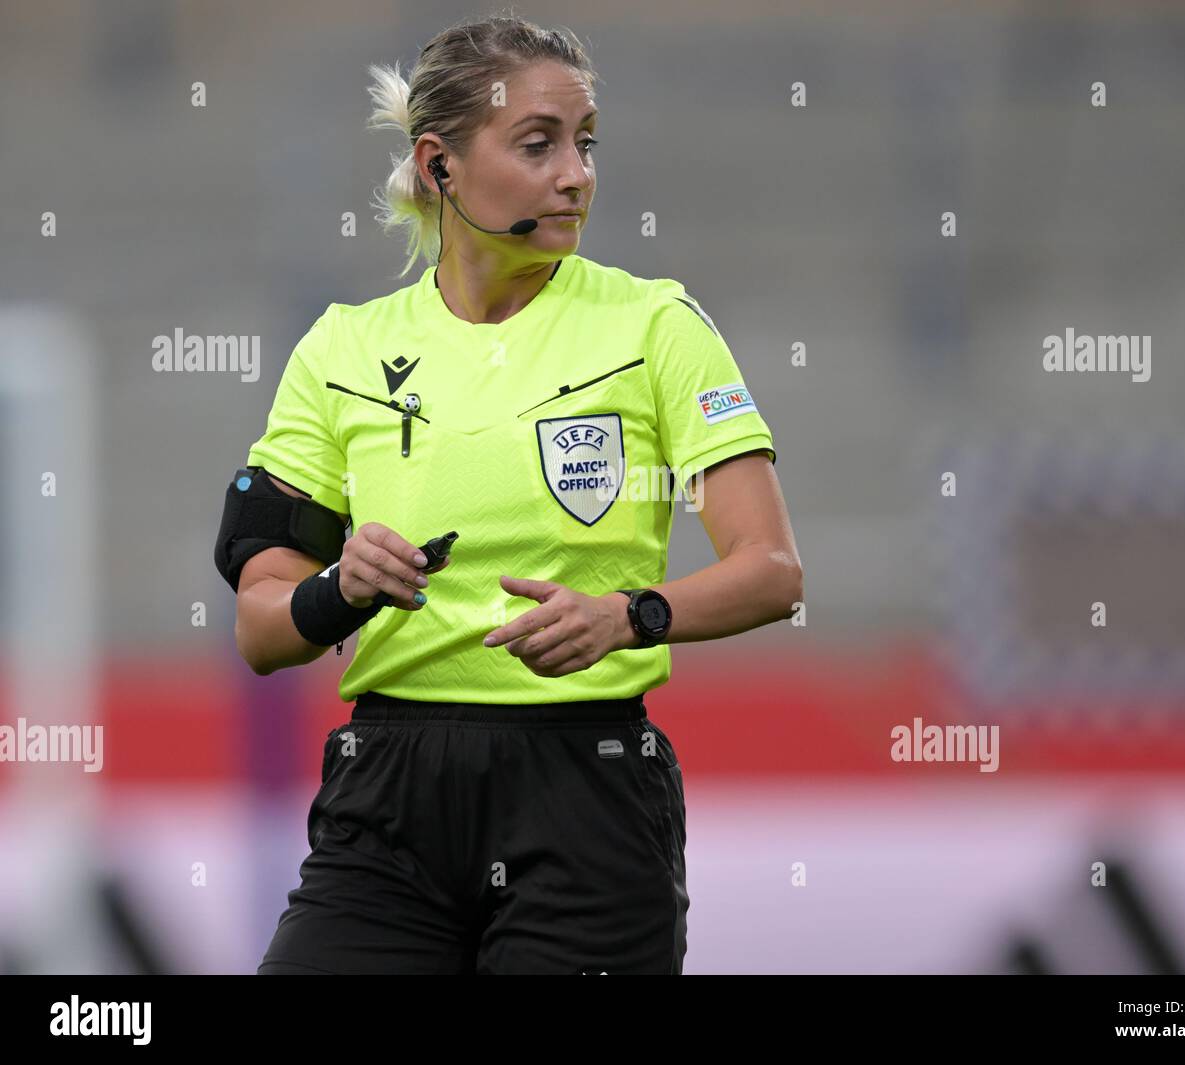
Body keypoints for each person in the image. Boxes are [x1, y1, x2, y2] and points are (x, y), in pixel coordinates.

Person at [215, 14, 802, 975]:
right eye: (539, 144)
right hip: (387, 798)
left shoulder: (656, 324)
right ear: (439, 165)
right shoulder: (340, 349)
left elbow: (773, 572)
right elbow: (262, 628)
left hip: (588, 793)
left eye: (586, 143)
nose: (577, 174)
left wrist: (629, 615)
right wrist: (342, 589)